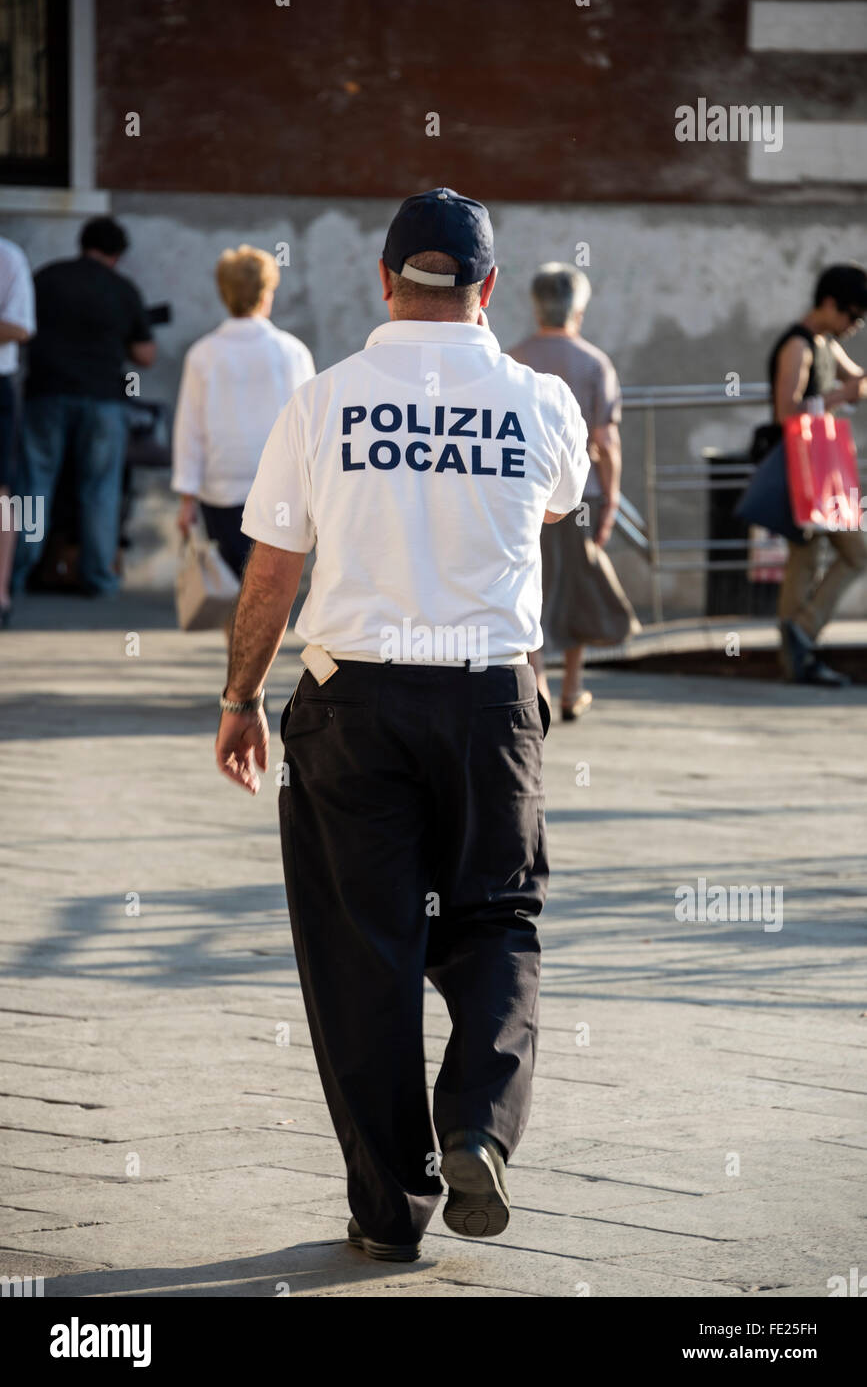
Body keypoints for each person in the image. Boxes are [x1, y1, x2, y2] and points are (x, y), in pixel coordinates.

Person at [215, 188, 590, 1261]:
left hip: (353, 704)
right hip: (488, 699)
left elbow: (274, 573)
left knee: (359, 960)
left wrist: (240, 698)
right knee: (497, 924)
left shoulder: (323, 400)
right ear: (489, 287)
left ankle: (388, 1214)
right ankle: (476, 1119)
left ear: (383, 280)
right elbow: (562, 502)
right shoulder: (540, 395)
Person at [509, 263, 637, 719]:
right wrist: (613, 497)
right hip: (582, 495)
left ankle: (537, 683)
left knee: (531, 585)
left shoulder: (513, 359)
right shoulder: (594, 362)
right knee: (577, 586)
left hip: (523, 494)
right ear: (578, 310)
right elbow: (605, 441)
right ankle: (572, 688)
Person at [11, 216, 155, 597]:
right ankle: (99, 578)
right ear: (118, 254)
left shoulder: (46, 278)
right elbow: (145, 354)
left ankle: (16, 573)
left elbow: (22, 329)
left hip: (46, 393)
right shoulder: (122, 289)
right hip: (104, 401)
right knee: (101, 490)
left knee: (33, 487)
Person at [172, 244, 315, 583]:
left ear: (224, 293)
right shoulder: (292, 352)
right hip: (280, 489)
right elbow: (310, 427)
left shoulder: (203, 354)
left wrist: (186, 498)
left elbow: (189, 429)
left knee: (231, 586)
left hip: (220, 490)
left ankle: (234, 638)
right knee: (271, 585)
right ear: (267, 293)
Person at [772, 262, 867, 685]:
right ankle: (803, 638)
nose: (856, 325)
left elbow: (857, 381)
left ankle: (799, 651)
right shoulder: (800, 345)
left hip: (820, 469)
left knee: (806, 559)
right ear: (829, 304)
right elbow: (786, 412)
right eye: (853, 314)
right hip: (802, 468)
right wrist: (838, 396)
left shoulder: (825, 343)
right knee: (843, 553)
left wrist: (849, 390)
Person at [0, 235, 35, 627]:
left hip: (0, 380)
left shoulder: (8, 256)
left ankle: (2, 592)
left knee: (4, 491)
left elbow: (20, 326)